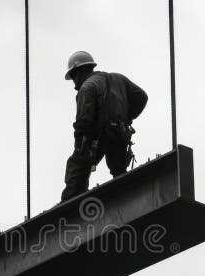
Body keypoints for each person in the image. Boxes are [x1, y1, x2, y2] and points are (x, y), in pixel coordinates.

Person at [60, 51, 148, 202]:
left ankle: (69, 206)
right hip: (120, 133)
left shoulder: (87, 88)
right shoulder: (118, 78)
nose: (74, 82)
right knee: (119, 170)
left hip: (99, 136)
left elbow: (83, 122)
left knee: (76, 168)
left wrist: (80, 148)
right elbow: (141, 97)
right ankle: (125, 199)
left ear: (79, 71)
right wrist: (127, 118)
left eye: (74, 77)